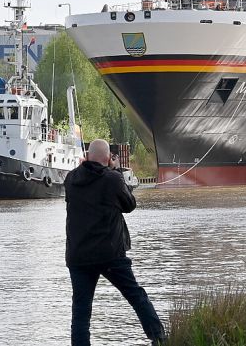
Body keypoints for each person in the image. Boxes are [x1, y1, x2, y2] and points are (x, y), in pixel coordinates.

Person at [65, 139, 165, 346]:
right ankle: (159, 338)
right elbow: (129, 205)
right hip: (109, 253)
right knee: (136, 295)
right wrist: (116, 170)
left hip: (79, 255)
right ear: (109, 158)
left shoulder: (71, 178)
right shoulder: (112, 178)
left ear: (87, 156)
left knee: (81, 312)